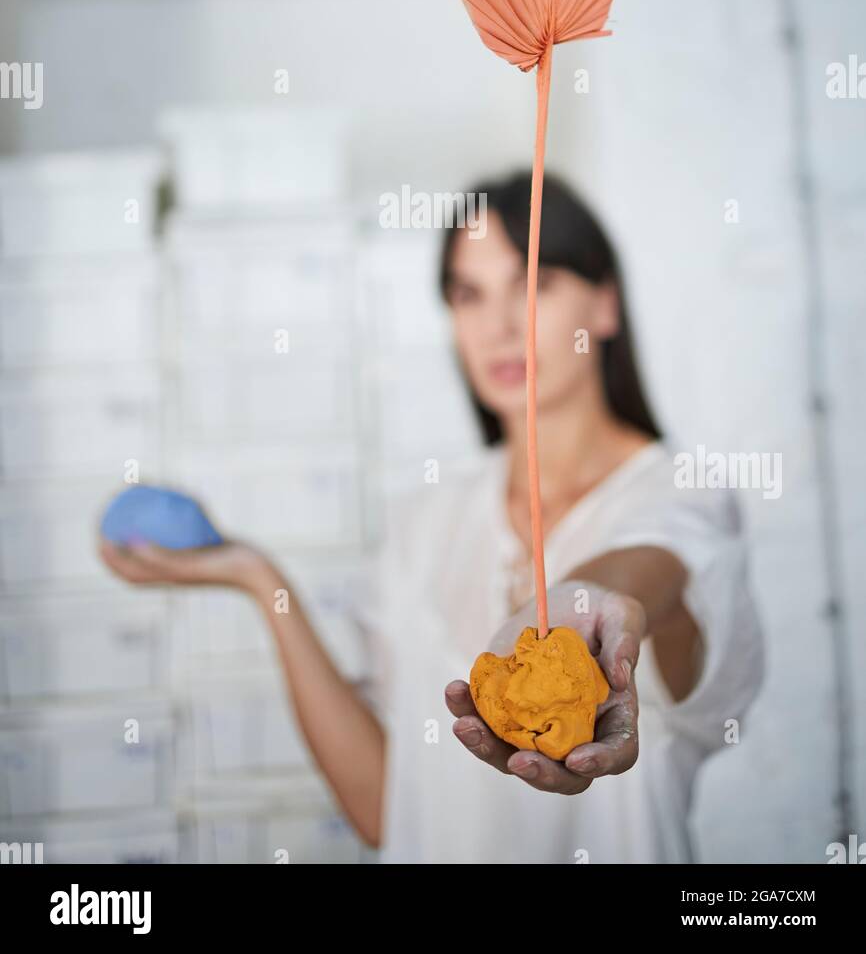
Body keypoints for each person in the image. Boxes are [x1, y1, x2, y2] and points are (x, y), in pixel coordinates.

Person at [100, 170, 764, 864]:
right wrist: (258, 580)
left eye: (532, 283)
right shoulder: (422, 525)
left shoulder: (681, 494)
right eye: (468, 294)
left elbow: (658, 562)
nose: (499, 327)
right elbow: (385, 809)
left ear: (604, 304)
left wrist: (591, 601)